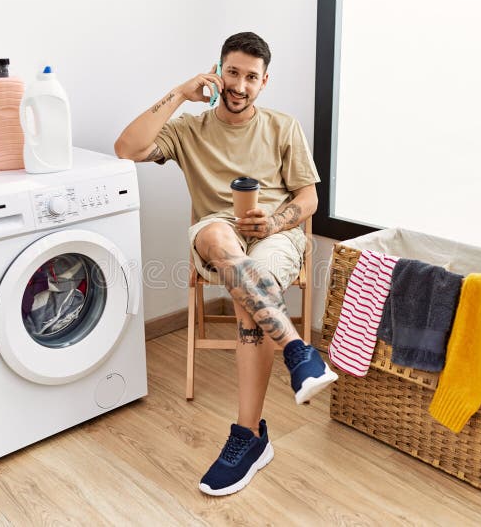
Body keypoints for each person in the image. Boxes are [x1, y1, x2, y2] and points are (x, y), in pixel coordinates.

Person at [114, 31, 338, 496]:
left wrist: (274, 221)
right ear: (217, 72)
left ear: (264, 81)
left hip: (274, 236)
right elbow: (127, 148)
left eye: (251, 77)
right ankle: (298, 351)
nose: (239, 85)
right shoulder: (189, 130)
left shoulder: (283, 127)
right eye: (232, 73)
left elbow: (308, 198)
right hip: (217, 234)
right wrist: (180, 92)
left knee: (248, 292)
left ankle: (249, 436)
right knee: (218, 235)